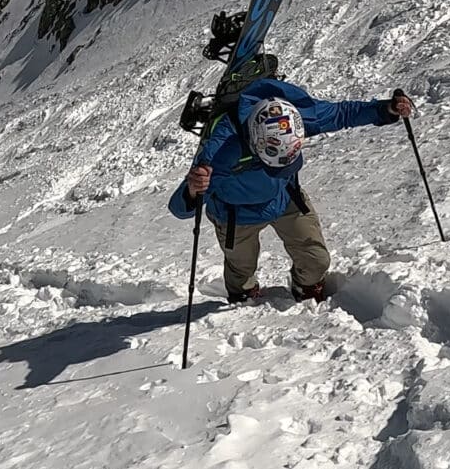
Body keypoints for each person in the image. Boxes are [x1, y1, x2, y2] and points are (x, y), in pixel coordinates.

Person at [169, 67, 415, 302]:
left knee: (316, 260)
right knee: (240, 271)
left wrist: (387, 110)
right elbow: (180, 208)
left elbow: (342, 114)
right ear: (255, 142)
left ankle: (304, 285)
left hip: (285, 197)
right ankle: (244, 295)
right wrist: (193, 189)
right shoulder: (220, 150)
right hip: (235, 212)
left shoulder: (291, 116)